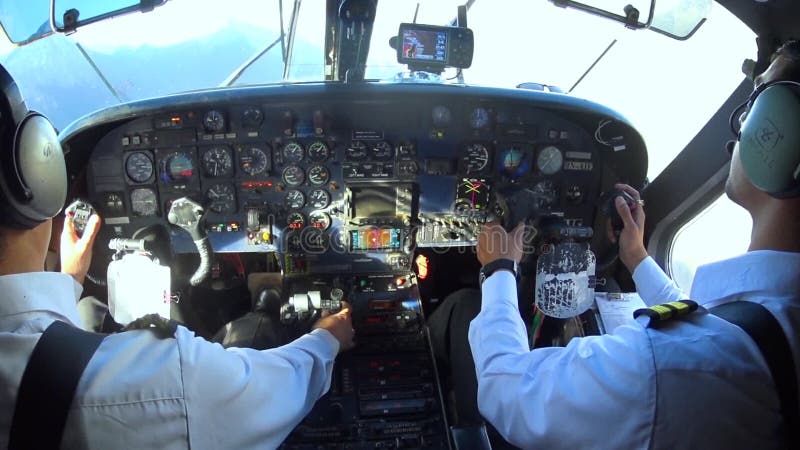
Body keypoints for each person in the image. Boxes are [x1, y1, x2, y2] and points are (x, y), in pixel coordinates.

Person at [429, 40, 800, 449]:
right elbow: (711, 324)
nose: (741, 124)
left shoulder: (665, 368)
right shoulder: (769, 320)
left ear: (778, 135)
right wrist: (637, 258)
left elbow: (508, 392)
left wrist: (498, 269)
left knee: (464, 306)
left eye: (757, 99)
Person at [0, 66, 355, 448]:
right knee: (258, 328)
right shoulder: (171, 379)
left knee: (88, 308)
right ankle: (266, 303)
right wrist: (326, 340)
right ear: (35, 176)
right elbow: (274, 389)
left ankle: (267, 297)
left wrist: (69, 281)